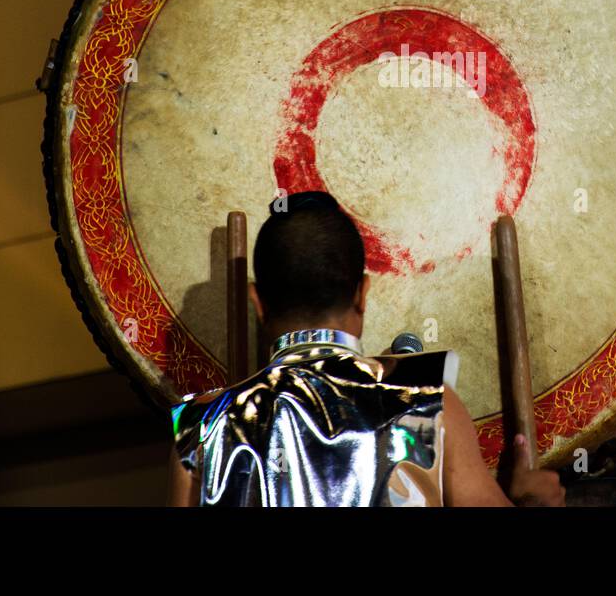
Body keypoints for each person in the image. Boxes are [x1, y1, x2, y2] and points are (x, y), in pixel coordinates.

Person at [167, 191, 564, 507]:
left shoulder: (200, 428)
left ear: (256, 304)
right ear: (363, 295)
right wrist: (535, 501)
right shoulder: (427, 402)